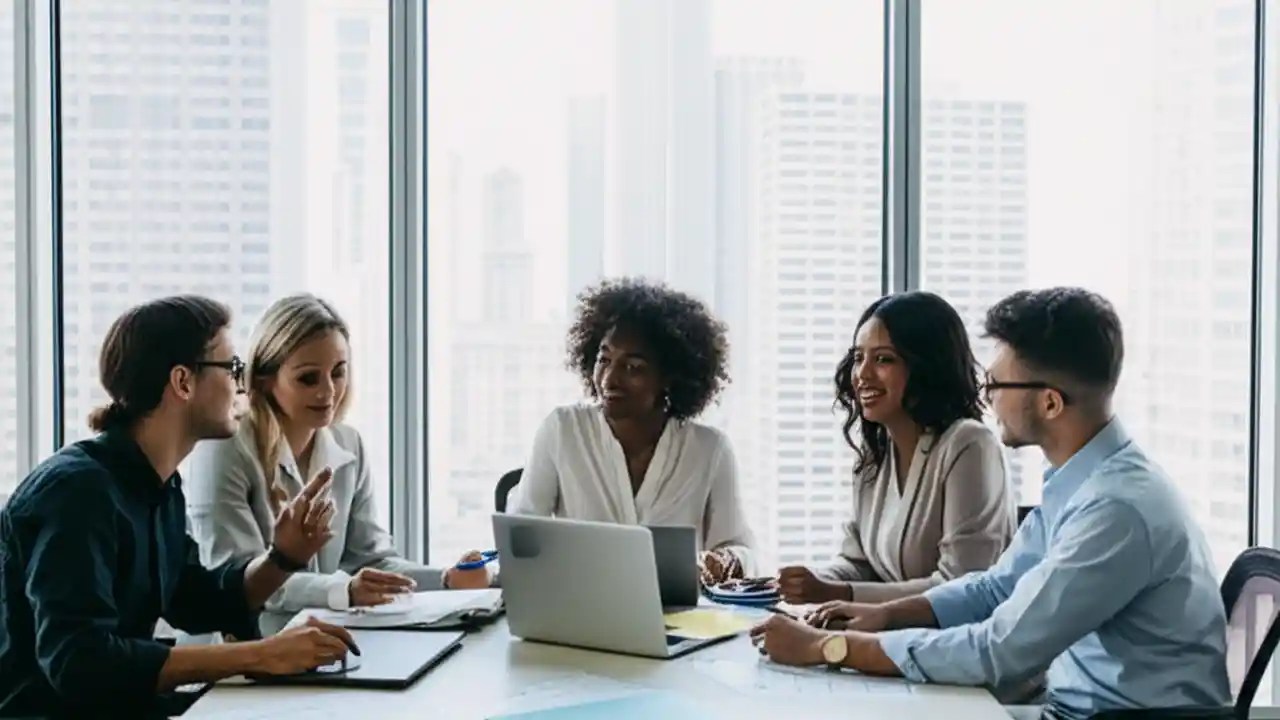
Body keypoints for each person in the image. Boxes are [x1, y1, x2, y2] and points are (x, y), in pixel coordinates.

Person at [750, 288, 1229, 719]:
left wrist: (831, 648)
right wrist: (890, 614)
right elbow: (995, 589)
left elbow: (1000, 650)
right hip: (1069, 708)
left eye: (997, 387)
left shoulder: (1116, 510)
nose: (987, 399)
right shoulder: (1081, 484)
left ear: (1049, 403)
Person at [0, 296, 358, 718]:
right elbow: (80, 663)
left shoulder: (161, 486)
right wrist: (258, 655)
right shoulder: (77, 493)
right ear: (183, 382)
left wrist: (283, 557)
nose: (241, 386)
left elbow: (196, 601)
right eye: (232, 369)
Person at [187, 294, 488, 614]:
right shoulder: (224, 448)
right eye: (308, 378)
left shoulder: (348, 444)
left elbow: (371, 560)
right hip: (240, 647)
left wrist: (445, 579)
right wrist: (343, 590)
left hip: (321, 640)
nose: (328, 391)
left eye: (338, 372)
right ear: (265, 378)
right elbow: (237, 581)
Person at [510, 278, 755, 584]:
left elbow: (739, 548)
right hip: (578, 614)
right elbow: (521, 535)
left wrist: (724, 560)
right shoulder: (561, 431)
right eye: (604, 359)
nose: (609, 379)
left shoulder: (710, 449)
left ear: (669, 376)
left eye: (633, 367)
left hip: (680, 621)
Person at [777, 291, 1013, 605]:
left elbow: (961, 585)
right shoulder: (876, 455)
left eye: (883, 359)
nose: (862, 374)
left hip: (951, 645)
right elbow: (858, 564)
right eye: (859, 357)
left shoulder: (969, 445)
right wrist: (808, 581)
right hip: (890, 638)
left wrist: (839, 593)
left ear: (926, 367)